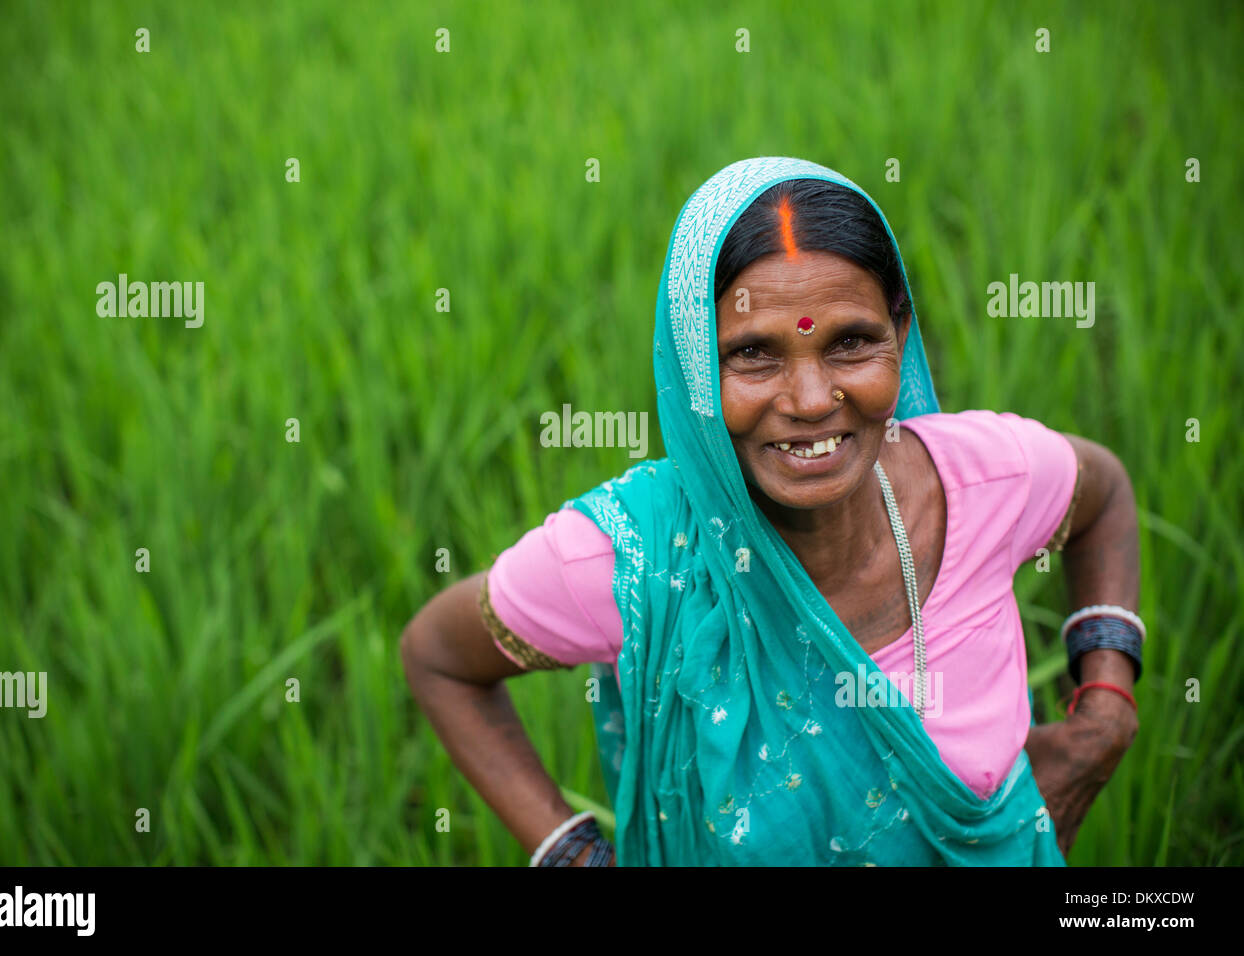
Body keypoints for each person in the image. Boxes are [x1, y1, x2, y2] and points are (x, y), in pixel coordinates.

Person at [400, 157, 1142, 866]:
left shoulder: (984, 483)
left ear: (902, 336)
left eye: (852, 343)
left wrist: (1103, 716)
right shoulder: (635, 557)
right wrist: (573, 854)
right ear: (693, 366)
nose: (813, 401)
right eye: (754, 354)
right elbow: (438, 657)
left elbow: (1103, 492)